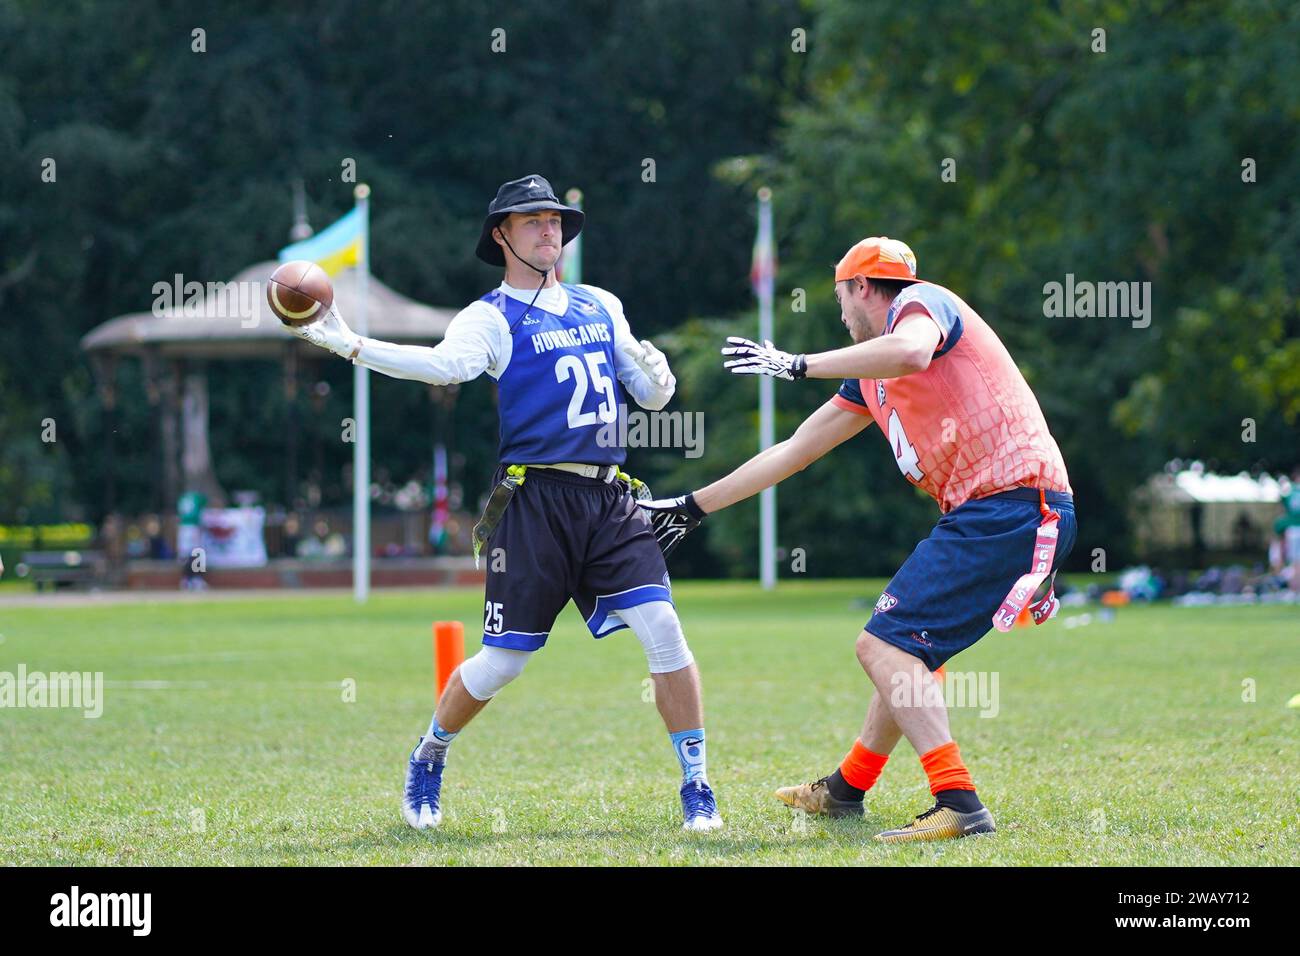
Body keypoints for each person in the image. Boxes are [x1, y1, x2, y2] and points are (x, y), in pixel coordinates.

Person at [286, 174, 722, 831]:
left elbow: (651, 393)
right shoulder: (488, 316)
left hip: (608, 498)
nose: (550, 231)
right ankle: (429, 754)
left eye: (555, 221)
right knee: (503, 661)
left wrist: (660, 379)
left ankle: (697, 784)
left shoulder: (601, 303)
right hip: (535, 500)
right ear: (502, 234)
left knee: (664, 629)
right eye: (533, 221)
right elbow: (442, 368)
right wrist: (347, 343)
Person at [640, 237, 1077, 842]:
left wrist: (798, 363)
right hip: (997, 511)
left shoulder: (923, 308)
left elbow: (911, 353)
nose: (841, 309)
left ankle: (960, 803)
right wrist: (691, 507)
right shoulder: (869, 378)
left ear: (861, 289)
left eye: (841, 294)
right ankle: (846, 791)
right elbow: (793, 452)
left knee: (883, 647)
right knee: (906, 655)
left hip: (1013, 506)